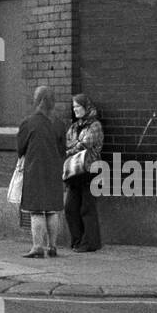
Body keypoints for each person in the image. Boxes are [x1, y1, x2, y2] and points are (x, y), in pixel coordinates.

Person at [16, 86, 69, 258]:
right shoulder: (60, 124)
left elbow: (20, 149)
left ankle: (37, 246)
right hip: (54, 171)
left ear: (38, 101)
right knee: (52, 210)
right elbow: (63, 150)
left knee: (37, 210)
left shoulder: (28, 123)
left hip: (35, 171)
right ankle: (52, 247)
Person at [63, 93, 103, 252]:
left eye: (78, 107)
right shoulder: (74, 126)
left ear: (86, 107)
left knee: (87, 208)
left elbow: (84, 145)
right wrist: (73, 146)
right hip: (74, 171)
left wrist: (70, 148)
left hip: (90, 170)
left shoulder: (95, 125)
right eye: (73, 107)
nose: (75, 110)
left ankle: (90, 243)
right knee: (70, 208)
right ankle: (77, 240)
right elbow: (67, 143)